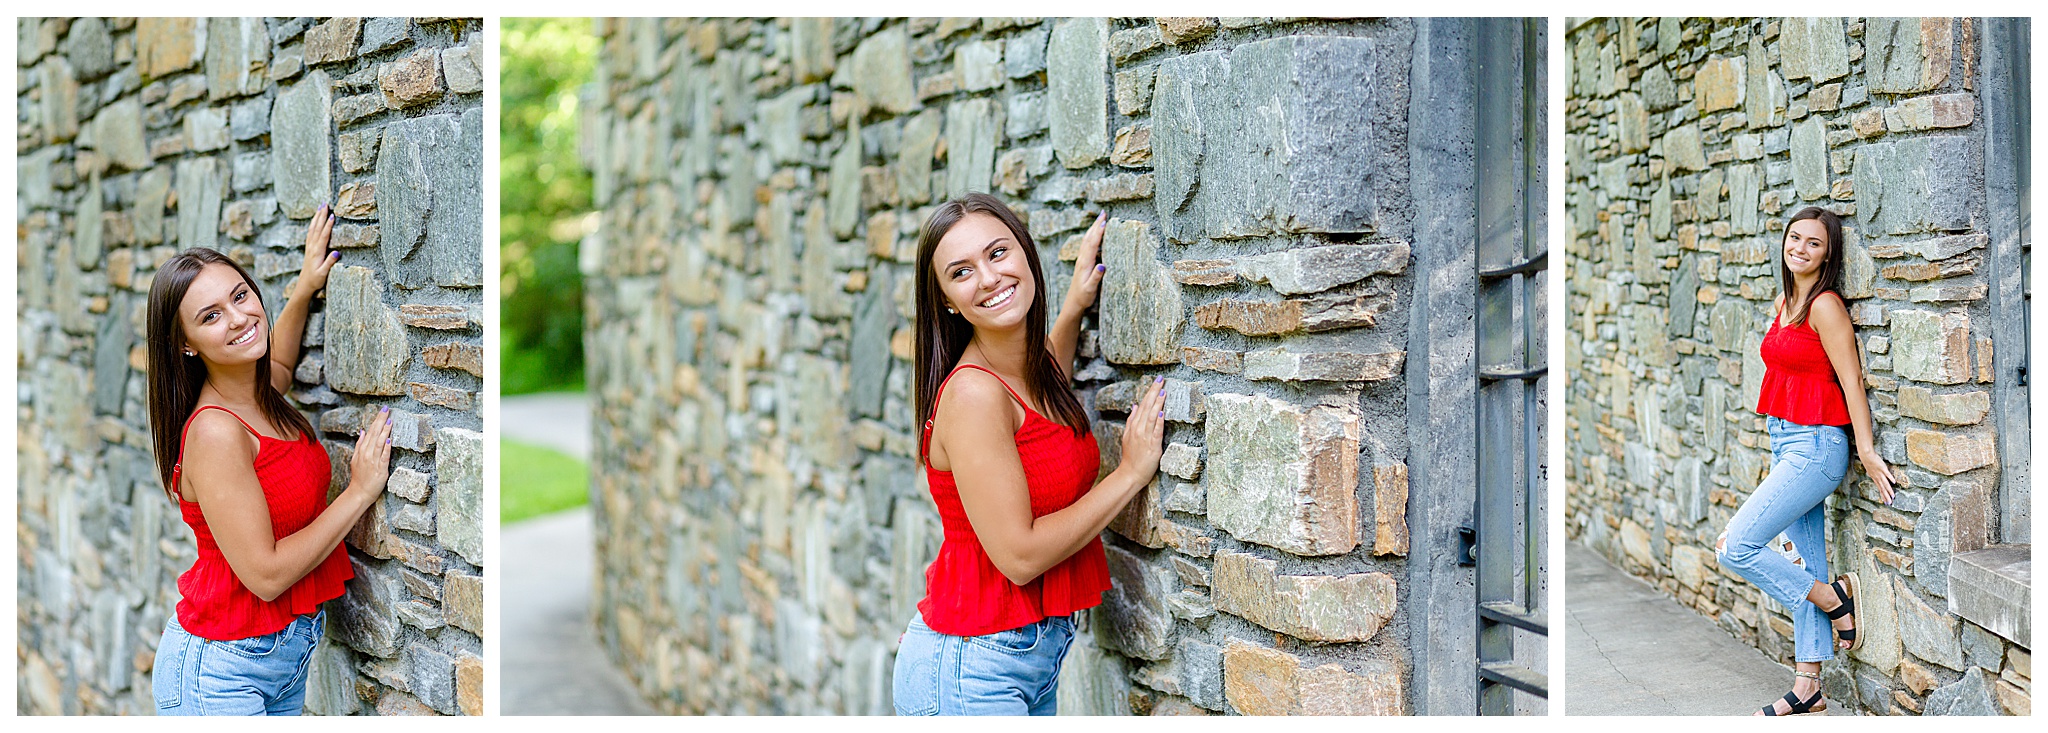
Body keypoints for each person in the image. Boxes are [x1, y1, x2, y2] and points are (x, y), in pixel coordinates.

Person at [892, 194, 1166, 715]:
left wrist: (1075, 305)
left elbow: (1042, 382)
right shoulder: (974, 395)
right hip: (972, 674)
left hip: (1016, 663)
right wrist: (1129, 474)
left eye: (997, 253)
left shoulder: (1021, 368)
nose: (989, 278)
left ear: (1024, 251)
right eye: (961, 272)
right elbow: (1019, 557)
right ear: (947, 300)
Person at [146, 204, 395, 715]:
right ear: (186, 344)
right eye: (211, 316)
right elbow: (266, 575)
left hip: (278, 663)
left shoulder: (256, 395)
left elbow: (278, 361)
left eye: (240, 295)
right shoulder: (216, 432)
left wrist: (304, 287)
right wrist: (358, 492)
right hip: (220, 675)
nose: (239, 317)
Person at [1717, 206, 1896, 716]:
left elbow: (1851, 380)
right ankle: (1809, 686)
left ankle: (1834, 599)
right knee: (1804, 560)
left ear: (1828, 254)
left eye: (1814, 243)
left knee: (1735, 546)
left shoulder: (1825, 306)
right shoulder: (1785, 302)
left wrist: (1866, 450)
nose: (1800, 248)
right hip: (1786, 442)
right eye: (1794, 238)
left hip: (1816, 448)